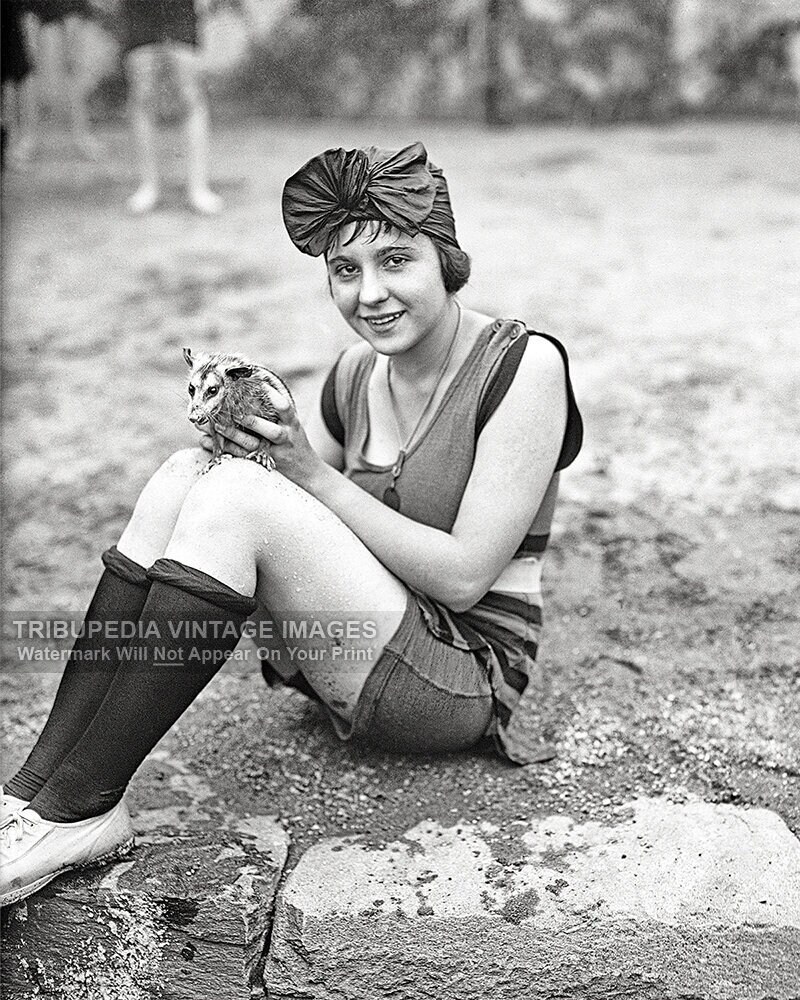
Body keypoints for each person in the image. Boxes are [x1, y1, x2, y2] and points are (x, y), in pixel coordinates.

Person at [0, 141, 582, 907]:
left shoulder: (524, 366)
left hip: (459, 680)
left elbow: (466, 576)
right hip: (354, 656)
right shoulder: (352, 375)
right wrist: (244, 432)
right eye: (346, 271)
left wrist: (303, 470)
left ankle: (83, 804)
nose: (370, 294)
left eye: (396, 261)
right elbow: (305, 533)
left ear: (446, 258)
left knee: (238, 496)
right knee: (189, 472)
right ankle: (34, 793)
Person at [121, 0, 223, 214]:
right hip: (139, 14)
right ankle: (148, 186)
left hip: (180, 12)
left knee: (191, 97)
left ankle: (198, 188)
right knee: (142, 97)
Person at [11, 0, 103, 163]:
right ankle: (28, 138)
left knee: (72, 66)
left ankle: (83, 136)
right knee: (27, 70)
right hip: (31, 6)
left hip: (68, 6)